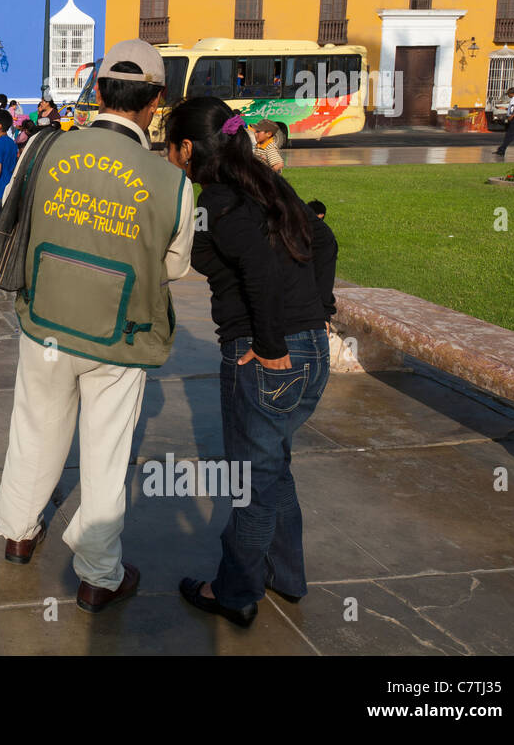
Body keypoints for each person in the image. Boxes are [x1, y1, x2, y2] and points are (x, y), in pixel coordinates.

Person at [0, 40, 195, 614]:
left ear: (99, 91)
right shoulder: (171, 182)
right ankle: (97, 574)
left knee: (35, 429)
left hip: (46, 320)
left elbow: (15, 213)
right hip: (120, 334)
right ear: (155, 101)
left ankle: (18, 530)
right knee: (106, 454)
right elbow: (175, 265)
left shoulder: (44, 147)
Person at [163, 96, 337, 628]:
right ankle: (285, 574)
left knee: (252, 482)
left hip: (267, 356)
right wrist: (319, 310)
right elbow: (324, 240)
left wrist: (271, 345)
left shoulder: (218, 199)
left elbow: (259, 271)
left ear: (187, 149)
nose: (166, 152)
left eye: (168, 144)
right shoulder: (265, 184)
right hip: (311, 352)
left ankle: (235, 591)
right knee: (272, 469)